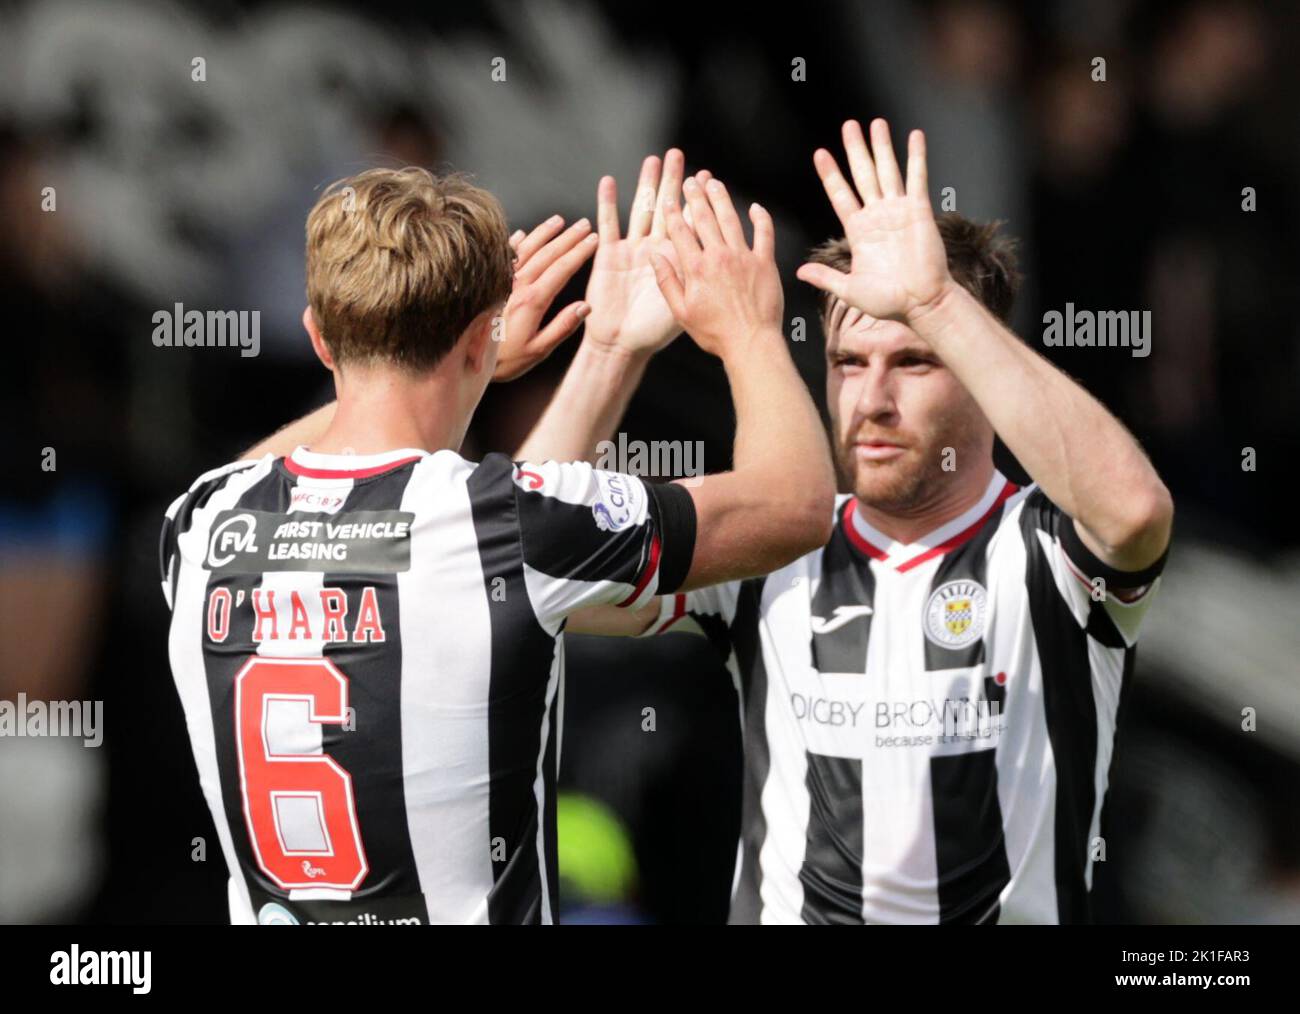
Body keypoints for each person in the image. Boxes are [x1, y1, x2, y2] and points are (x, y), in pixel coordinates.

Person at [157, 161, 834, 925]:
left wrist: (605, 350)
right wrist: (748, 331)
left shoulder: (203, 521)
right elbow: (795, 506)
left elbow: (482, 561)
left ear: (318, 337)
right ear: (485, 339)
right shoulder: (503, 521)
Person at [538, 120, 1174, 924]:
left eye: (914, 362)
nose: (871, 400)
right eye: (847, 364)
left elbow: (1136, 510)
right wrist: (608, 353)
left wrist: (939, 303)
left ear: (981, 369)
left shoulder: (1045, 547)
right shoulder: (773, 542)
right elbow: (518, 576)